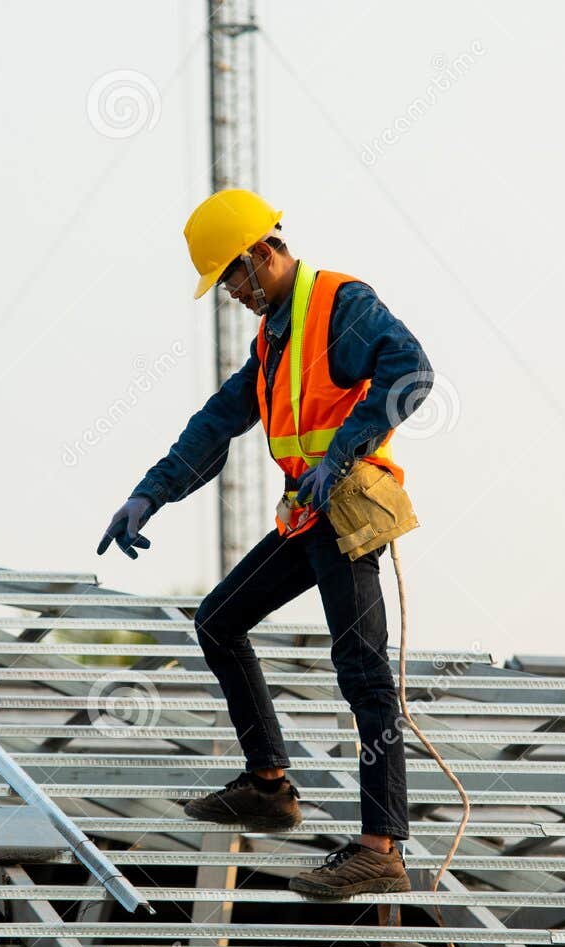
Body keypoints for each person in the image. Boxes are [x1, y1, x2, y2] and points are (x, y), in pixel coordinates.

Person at [98, 189, 434, 899]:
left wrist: (342, 451)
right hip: (308, 517)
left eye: (232, 276)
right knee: (218, 620)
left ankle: (381, 848)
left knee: (364, 672)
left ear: (262, 253)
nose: (233, 293)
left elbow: (411, 371)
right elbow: (216, 423)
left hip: (347, 509)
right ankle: (270, 785)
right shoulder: (273, 340)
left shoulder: (338, 304)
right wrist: (150, 493)